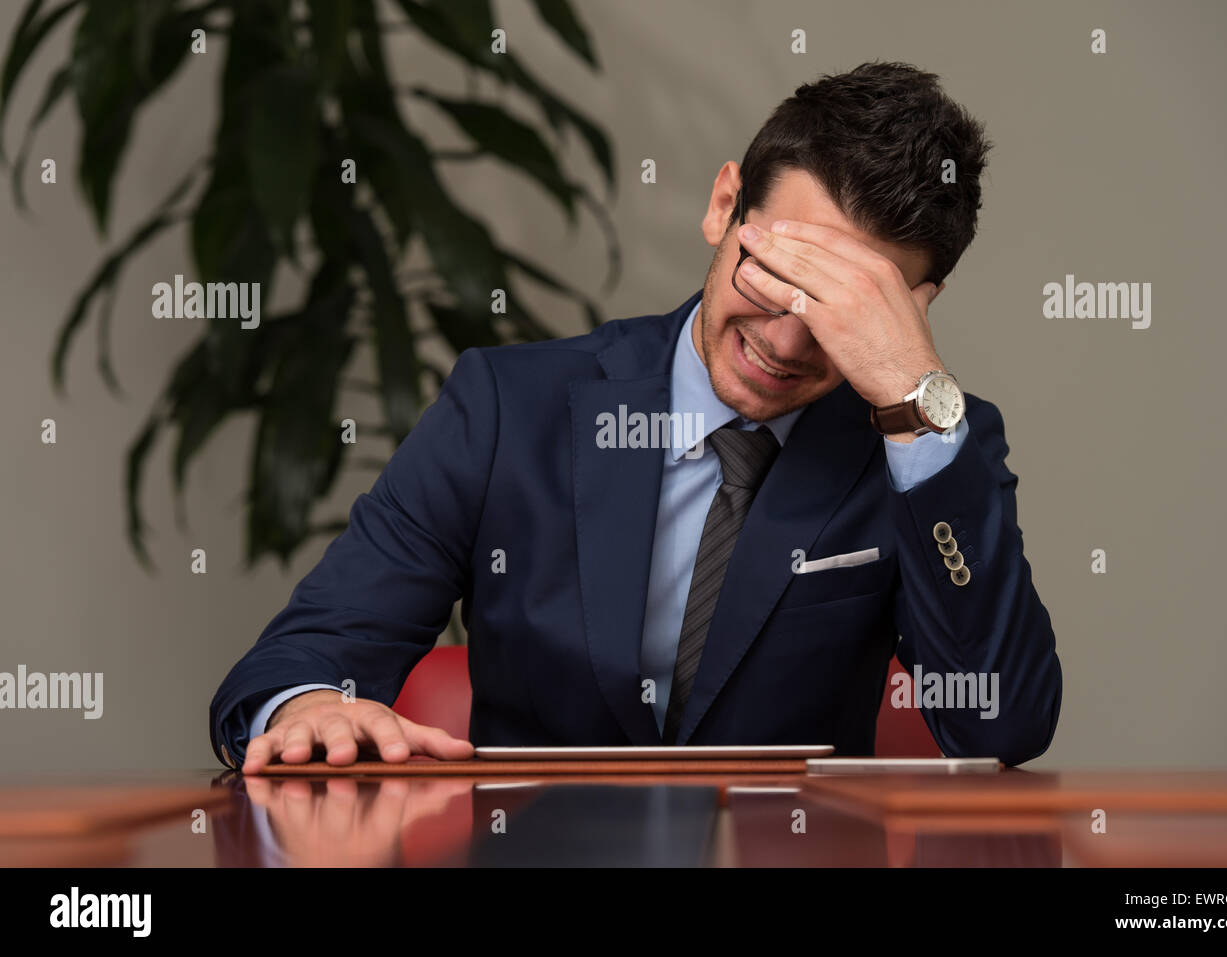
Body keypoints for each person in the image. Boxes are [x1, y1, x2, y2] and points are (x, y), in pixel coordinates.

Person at [211, 60, 1063, 774]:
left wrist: (914, 401)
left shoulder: (925, 446)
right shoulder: (508, 407)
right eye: (774, 273)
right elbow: (302, 657)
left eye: (843, 309)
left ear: (916, 309)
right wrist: (313, 704)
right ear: (724, 205)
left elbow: (1002, 726)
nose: (787, 337)